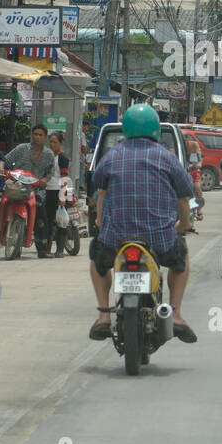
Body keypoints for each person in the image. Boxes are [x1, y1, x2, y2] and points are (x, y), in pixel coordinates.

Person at [88, 104, 196, 344]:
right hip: (159, 239)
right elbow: (184, 200)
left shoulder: (111, 156)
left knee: (98, 260)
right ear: (155, 129)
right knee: (181, 259)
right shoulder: (167, 157)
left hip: (116, 238)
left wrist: (100, 220)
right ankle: (176, 314)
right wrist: (184, 225)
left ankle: (104, 316)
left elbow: (101, 191)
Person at [0, 123, 57, 257]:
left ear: (45, 137)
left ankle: (42, 249)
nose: (37, 137)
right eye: (35, 134)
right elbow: (5, 159)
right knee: (1, 205)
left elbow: (49, 174)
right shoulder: (21, 148)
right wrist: (1, 167)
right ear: (32, 135)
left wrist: (44, 182)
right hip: (15, 186)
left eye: (40, 135)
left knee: (41, 217)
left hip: (34, 190)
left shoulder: (48, 154)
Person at [46, 132, 69, 257]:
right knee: (48, 220)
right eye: (51, 142)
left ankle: (60, 249)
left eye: (55, 142)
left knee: (61, 222)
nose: (52, 144)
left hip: (59, 191)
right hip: (48, 190)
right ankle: (47, 248)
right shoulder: (47, 156)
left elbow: (64, 178)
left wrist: (62, 196)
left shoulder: (62, 158)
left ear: (60, 143)